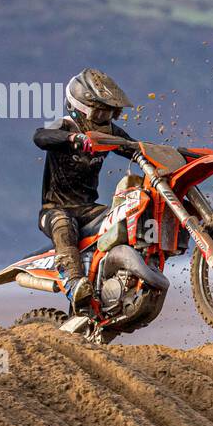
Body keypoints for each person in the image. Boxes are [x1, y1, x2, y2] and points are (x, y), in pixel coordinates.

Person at [33, 69, 136, 307]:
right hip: (55, 208)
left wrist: (177, 155)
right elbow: (40, 137)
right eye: (99, 111)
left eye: (108, 111)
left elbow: (134, 147)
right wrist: (72, 139)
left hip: (89, 210)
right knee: (63, 224)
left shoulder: (109, 132)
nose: (103, 117)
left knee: (124, 217)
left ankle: (118, 281)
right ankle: (74, 283)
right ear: (80, 107)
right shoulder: (64, 125)